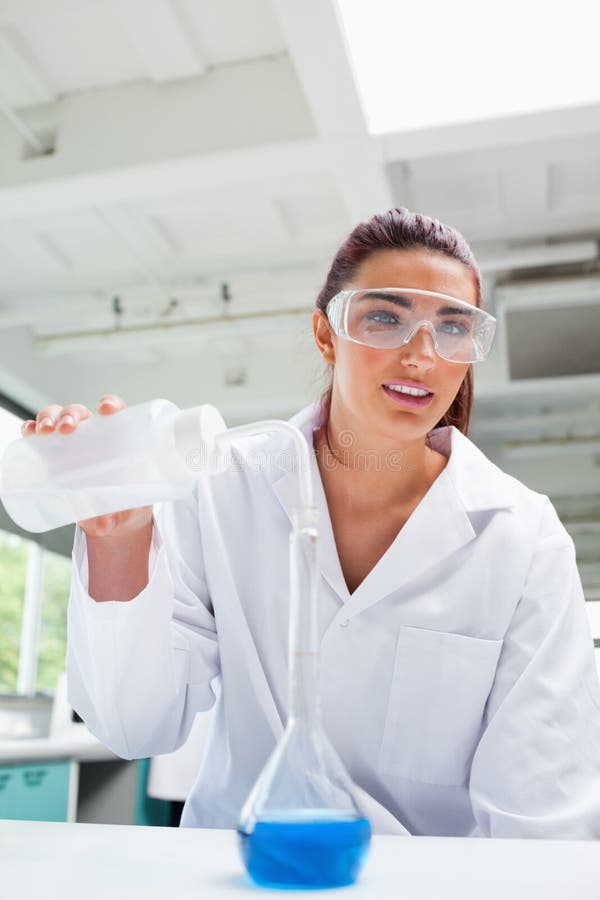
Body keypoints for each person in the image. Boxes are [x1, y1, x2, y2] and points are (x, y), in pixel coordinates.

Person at [24, 208, 600, 838]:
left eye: (453, 327)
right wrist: (119, 540)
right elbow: (132, 724)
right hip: (239, 872)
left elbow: (541, 815)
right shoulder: (221, 485)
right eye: (385, 317)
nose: (421, 355)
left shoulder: (521, 536)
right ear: (326, 334)